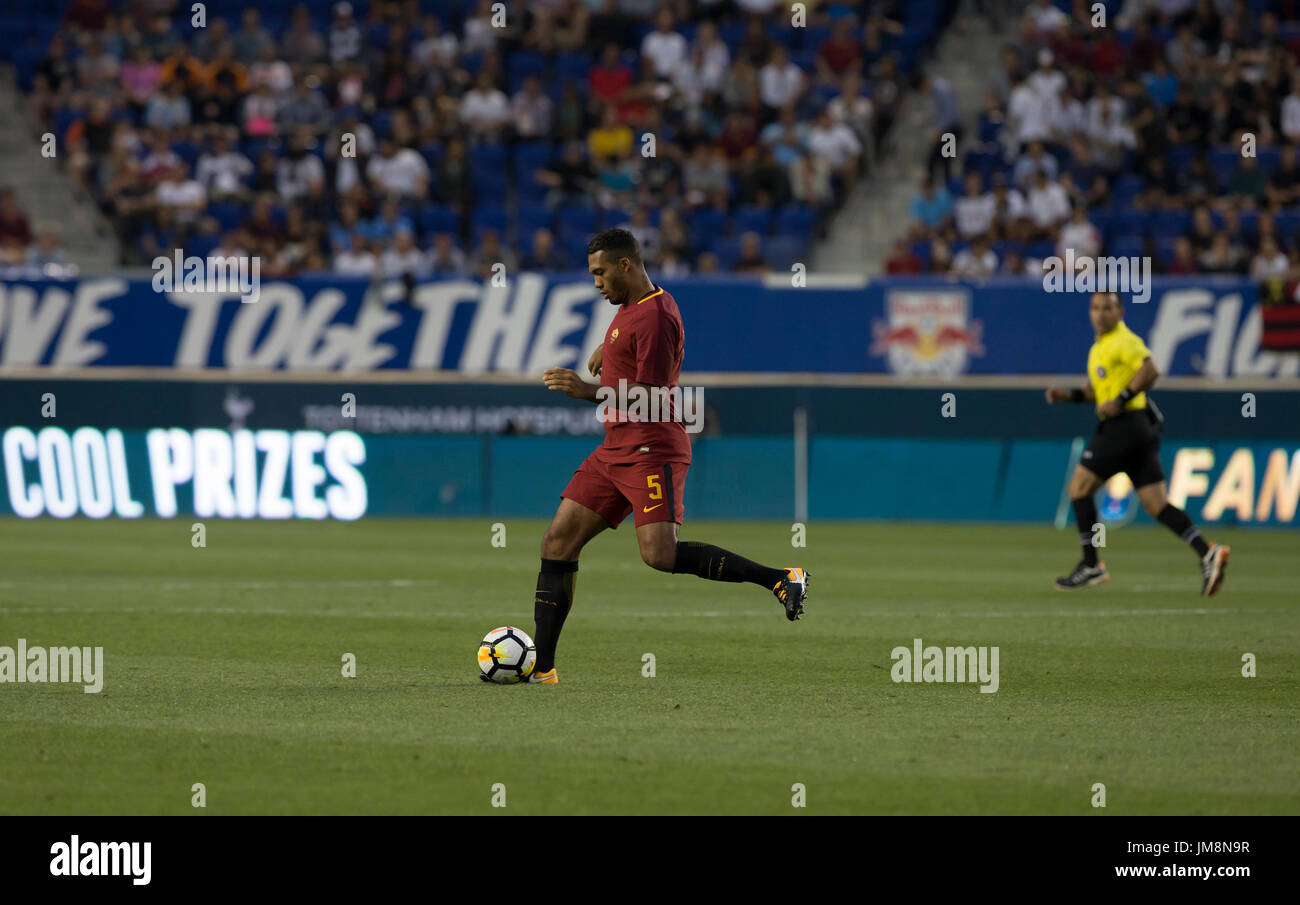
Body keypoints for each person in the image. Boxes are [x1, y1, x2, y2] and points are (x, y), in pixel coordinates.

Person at [532, 229, 810, 684]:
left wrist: (587, 391)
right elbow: (632, 343)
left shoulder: (657, 316)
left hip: (651, 448)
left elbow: (655, 398)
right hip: (615, 448)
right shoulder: (632, 306)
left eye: (600, 272)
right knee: (557, 542)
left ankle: (781, 578)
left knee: (659, 555)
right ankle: (542, 670)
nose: (596, 282)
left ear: (625, 265)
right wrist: (610, 347)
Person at [1045, 292, 1229, 596]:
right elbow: (1097, 391)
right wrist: (1070, 396)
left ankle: (1091, 564)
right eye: (1096, 308)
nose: (1101, 313)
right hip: (1139, 431)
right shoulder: (1100, 348)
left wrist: (1121, 399)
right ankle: (1207, 552)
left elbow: (1150, 369)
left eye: (1108, 308)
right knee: (1156, 505)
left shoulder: (1123, 340)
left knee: (1079, 488)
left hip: (1124, 426)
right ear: (1089, 312)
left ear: (1120, 312)